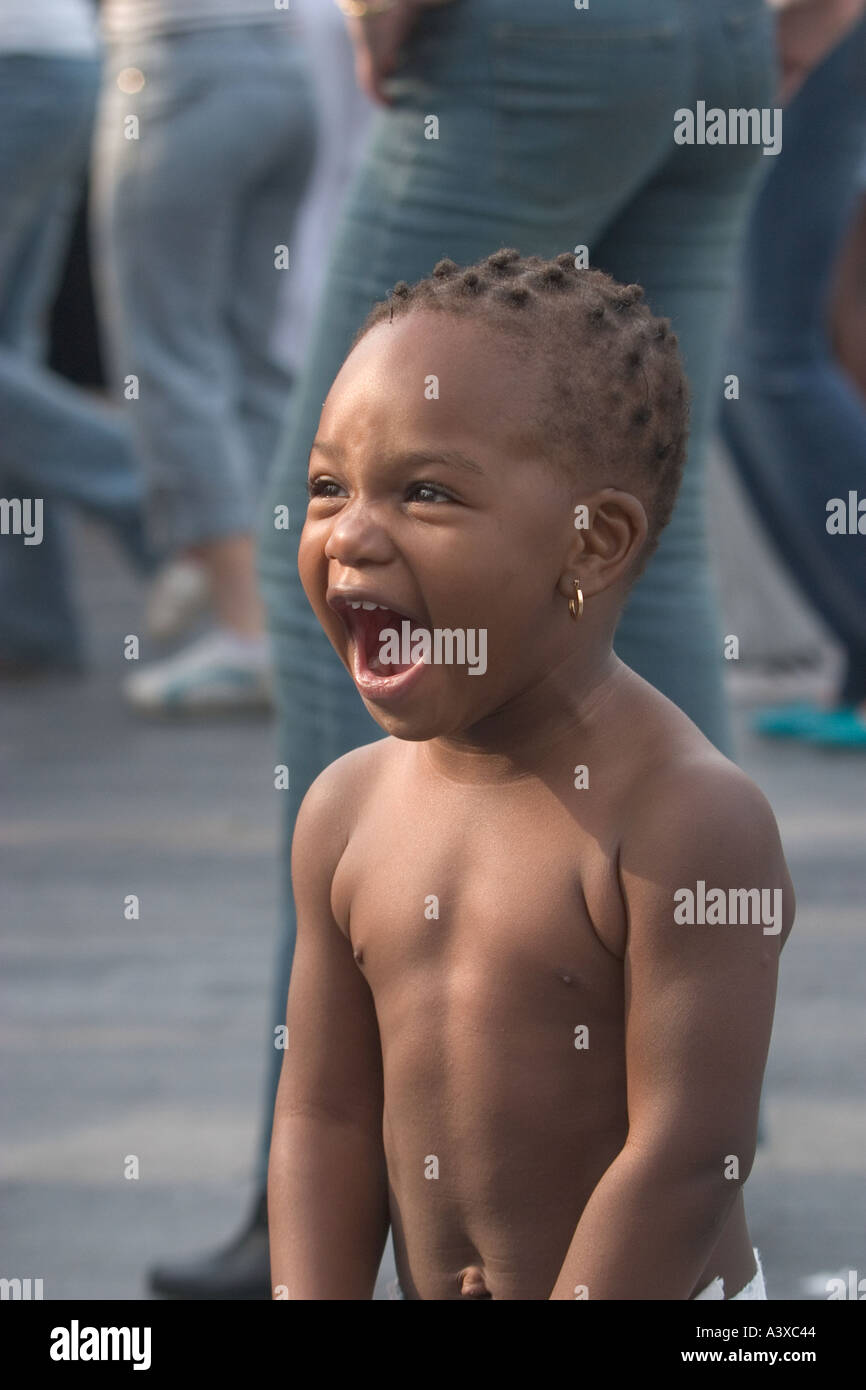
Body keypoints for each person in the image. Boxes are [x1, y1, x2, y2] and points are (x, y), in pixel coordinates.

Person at [267, 251, 795, 1300]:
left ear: (590, 543)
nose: (350, 535)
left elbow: (688, 1153)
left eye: (424, 491)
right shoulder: (344, 811)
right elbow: (321, 1117)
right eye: (327, 486)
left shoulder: (683, 818)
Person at [90, 0, 317, 712]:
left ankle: (246, 633)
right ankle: (288, 613)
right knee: (254, 361)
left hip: (177, 61)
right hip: (283, 62)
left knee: (168, 357)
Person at [720, 5, 866, 748]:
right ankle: (859, 667)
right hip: (771, 30)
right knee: (737, 363)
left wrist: (808, 32)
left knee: (770, 353)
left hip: (806, 24)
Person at [0, 0, 151, 674]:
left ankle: (160, 507)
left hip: (20, 71)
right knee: (11, 354)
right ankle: (31, 624)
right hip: (57, 61)